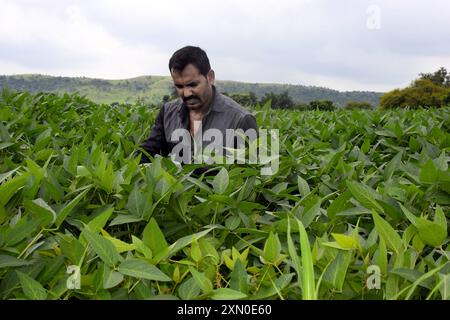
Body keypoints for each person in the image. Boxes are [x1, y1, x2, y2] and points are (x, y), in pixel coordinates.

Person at [137, 46, 258, 165]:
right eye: (179, 86)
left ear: (210, 77)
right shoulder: (168, 112)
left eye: (192, 85)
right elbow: (147, 154)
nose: (186, 93)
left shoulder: (241, 120)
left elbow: (250, 173)